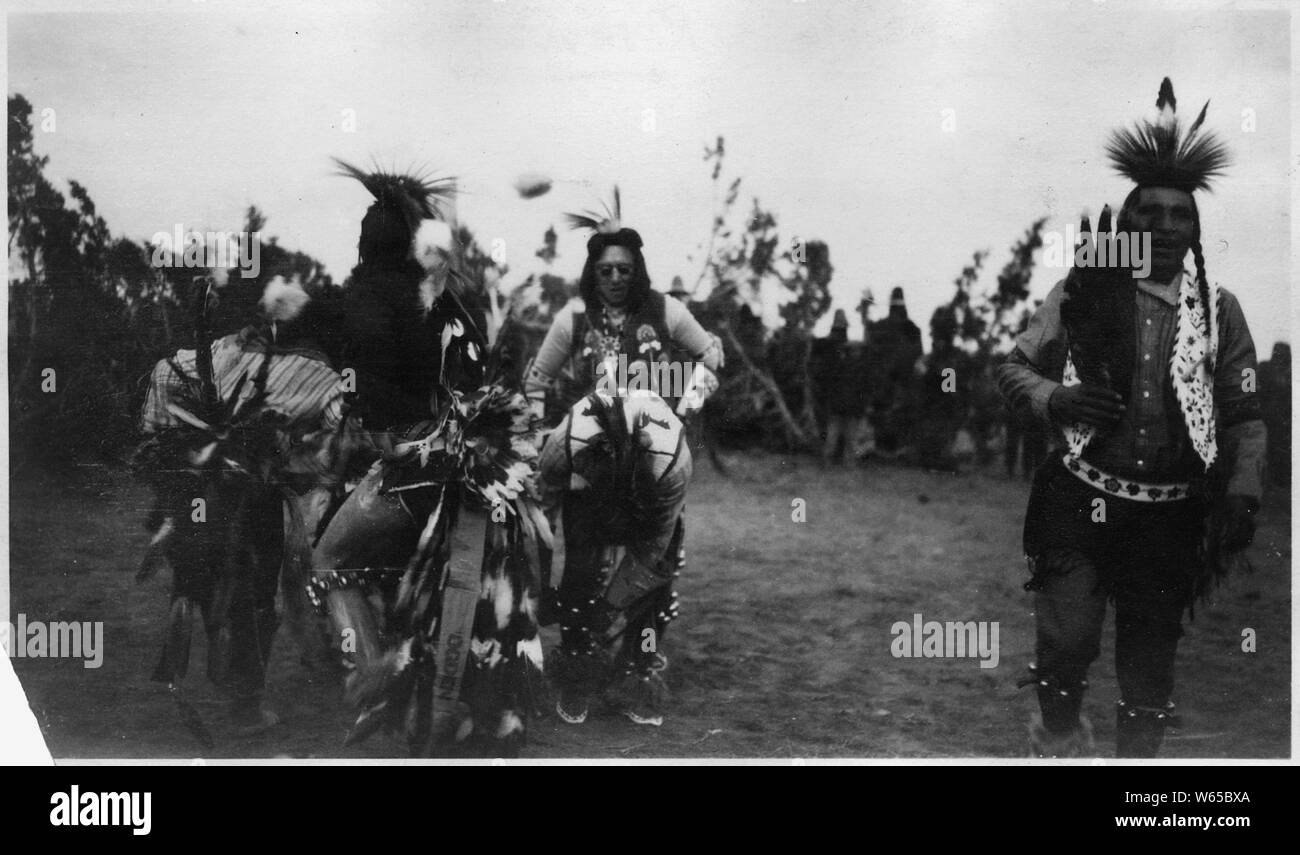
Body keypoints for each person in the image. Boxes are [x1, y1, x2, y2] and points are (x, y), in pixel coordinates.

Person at [998, 79, 1266, 758]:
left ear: (1196, 228)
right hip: (1079, 494)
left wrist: (1243, 486)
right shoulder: (1085, 289)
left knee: (1149, 665)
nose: (1167, 226)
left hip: (1168, 515)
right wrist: (1054, 398)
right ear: (1129, 221)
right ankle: (1058, 736)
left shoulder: (1221, 311)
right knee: (1067, 642)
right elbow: (1013, 367)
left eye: (1182, 215)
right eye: (1153, 212)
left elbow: (1244, 413)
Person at [304, 161, 548, 757]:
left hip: (412, 478)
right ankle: (469, 696)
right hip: (479, 480)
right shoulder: (455, 305)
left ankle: (375, 677)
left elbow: (364, 383)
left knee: (329, 557)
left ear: (367, 243)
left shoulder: (364, 297)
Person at [523, 193, 721, 725]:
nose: (614, 278)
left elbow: (709, 354)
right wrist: (544, 432)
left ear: (638, 271)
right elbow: (537, 379)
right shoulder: (573, 319)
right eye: (605, 269)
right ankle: (578, 677)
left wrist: (689, 400)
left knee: (653, 574)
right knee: (583, 573)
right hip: (591, 469)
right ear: (593, 271)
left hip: (653, 468)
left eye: (624, 269)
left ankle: (636, 676)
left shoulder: (665, 311)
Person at [136, 273, 348, 737]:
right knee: (253, 596)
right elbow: (332, 453)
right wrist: (299, 468)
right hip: (256, 495)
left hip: (199, 491)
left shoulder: (225, 351)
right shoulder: (326, 379)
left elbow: (165, 370)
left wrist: (163, 440)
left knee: (210, 582)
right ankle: (244, 706)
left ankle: (215, 681)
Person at [815, 309, 873, 464]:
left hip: (837, 405)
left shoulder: (838, 364)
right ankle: (849, 462)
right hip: (851, 407)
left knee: (833, 434)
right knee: (850, 437)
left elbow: (830, 383)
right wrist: (862, 406)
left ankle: (828, 460)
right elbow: (863, 389)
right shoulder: (861, 368)